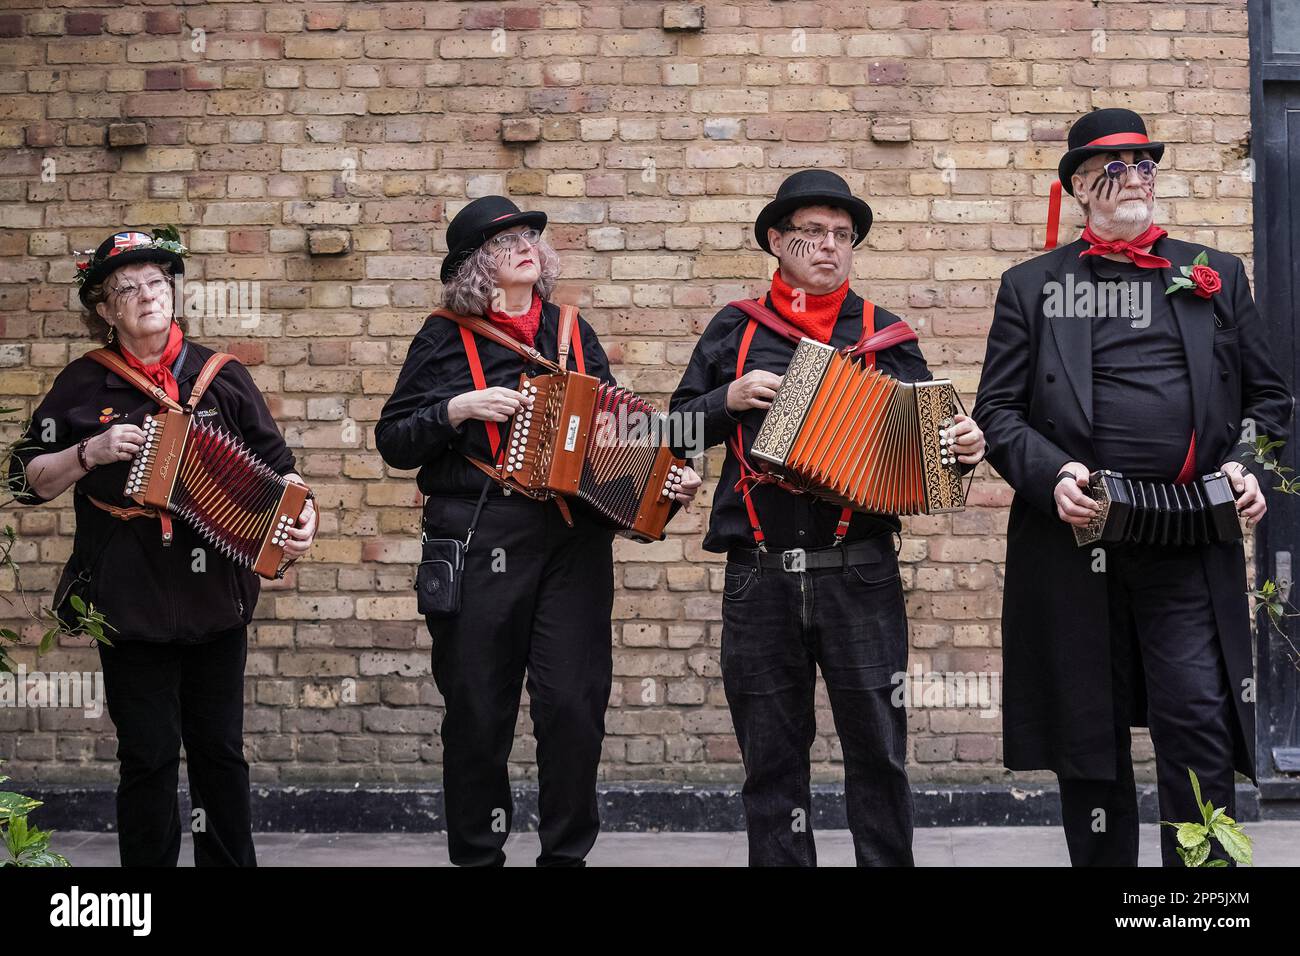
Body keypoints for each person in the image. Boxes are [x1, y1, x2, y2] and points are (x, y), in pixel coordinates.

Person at [973, 108, 1294, 866]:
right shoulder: (1033, 287)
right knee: (1090, 735)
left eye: (1145, 165)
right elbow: (997, 411)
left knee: (1199, 724)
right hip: (1078, 543)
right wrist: (1053, 475)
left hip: (1188, 541)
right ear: (1081, 187)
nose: (1136, 179)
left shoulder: (1215, 274)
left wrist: (1248, 466)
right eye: (1114, 169)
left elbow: (1269, 400)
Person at [669, 170, 986, 866]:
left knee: (878, 752)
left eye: (842, 236)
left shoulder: (884, 335)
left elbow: (936, 449)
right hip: (759, 577)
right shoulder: (736, 329)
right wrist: (730, 397)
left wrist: (966, 448)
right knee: (772, 761)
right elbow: (672, 433)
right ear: (777, 243)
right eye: (812, 234)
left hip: (862, 575)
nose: (829, 247)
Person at [376, 196, 701, 866]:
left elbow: (618, 436)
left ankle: (565, 857)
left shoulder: (571, 333)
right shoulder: (443, 337)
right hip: (479, 535)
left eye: (528, 236)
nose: (525, 246)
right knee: (478, 712)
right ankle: (478, 856)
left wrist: (666, 478)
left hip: (571, 543)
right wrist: (456, 408)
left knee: (573, 708)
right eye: (504, 242)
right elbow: (395, 439)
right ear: (473, 266)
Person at [8, 227, 317, 866]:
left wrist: (302, 515)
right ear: (104, 308)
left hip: (216, 601)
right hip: (128, 603)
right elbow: (23, 480)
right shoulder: (82, 384)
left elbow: (281, 467)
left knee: (221, 755)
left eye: (156, 283)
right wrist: (86, 452)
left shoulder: (219, 377)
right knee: (145, 759)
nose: (147, 295)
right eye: (128, 288)